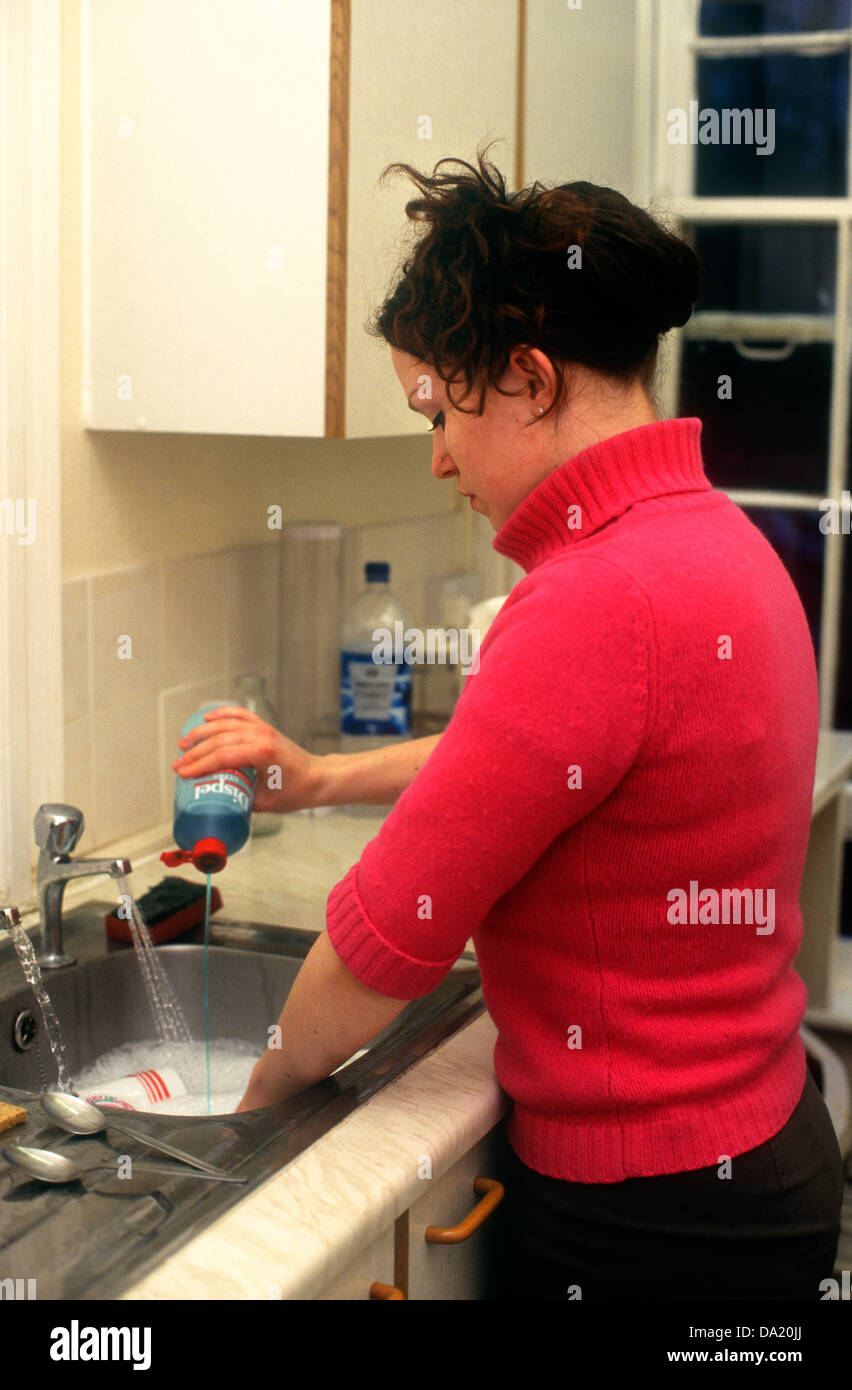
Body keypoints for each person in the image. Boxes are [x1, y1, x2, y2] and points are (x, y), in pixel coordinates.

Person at [171, 148, 845, 1300]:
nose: (437, 456)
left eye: (440, 406)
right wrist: (322, 776)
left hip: (648, 1222)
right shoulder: (715, 542)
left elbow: (386, 941)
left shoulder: (594, 597)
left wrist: (248, 1109)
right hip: (759, 1157)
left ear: (530, 380)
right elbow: (547, 761)